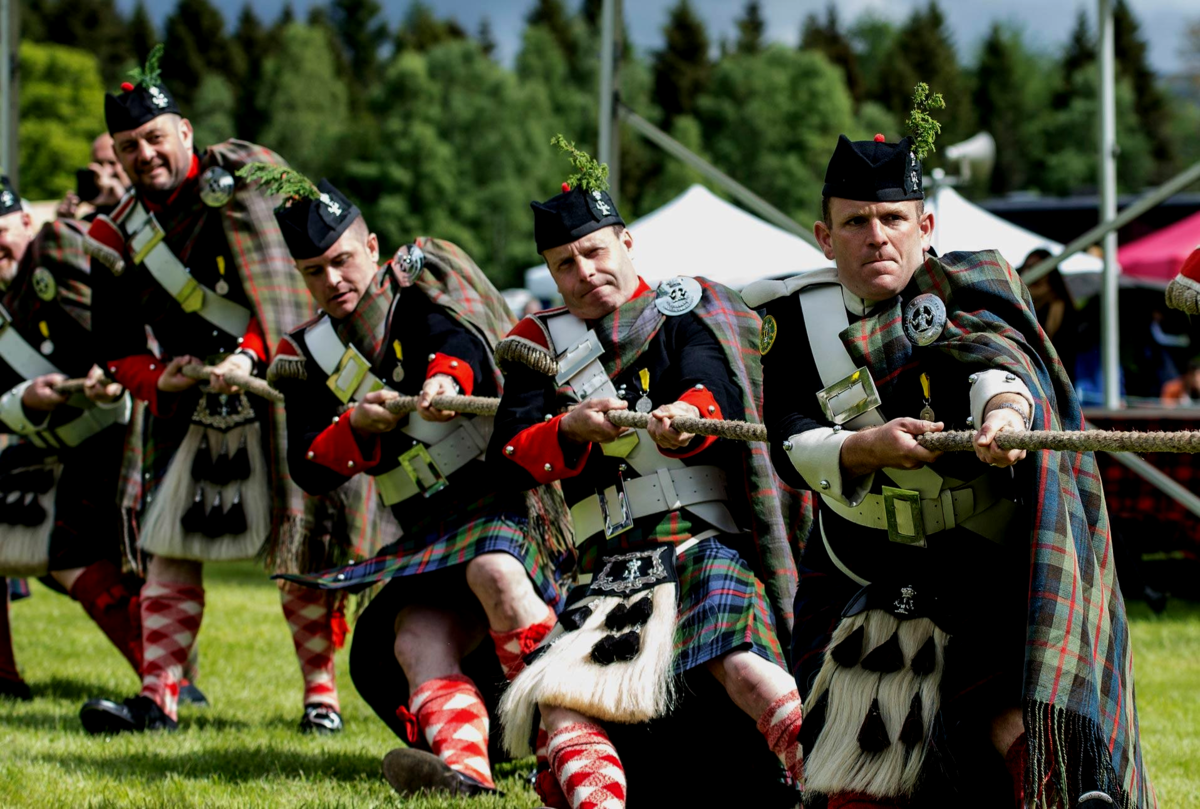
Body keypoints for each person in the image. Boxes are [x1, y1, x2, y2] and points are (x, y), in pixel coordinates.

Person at [745, 130, 1154, 808]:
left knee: (1012, 707)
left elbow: (999, 368)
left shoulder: (966, 293)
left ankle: (1053, 795)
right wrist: (863, 447)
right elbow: (788, 436)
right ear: (825, 236)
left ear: (924, 225)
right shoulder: (795, 319)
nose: (876, 236)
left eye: (892, 219)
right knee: (854, 752)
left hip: (978, 560)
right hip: (859, 568)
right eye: (856, 221)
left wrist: (1003, 416)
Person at [488, 143, 805, 809]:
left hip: (700, 545)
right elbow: (510, 450)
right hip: (607, 563)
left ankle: (825, 786)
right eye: (563, 263)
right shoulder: (536, 344)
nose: (583, 271)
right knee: (561, 704)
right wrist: (570, 429)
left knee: (744, 666)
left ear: (627, 242)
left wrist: (689, 412)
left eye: (595, 251)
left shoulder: (686, 309)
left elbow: (712, 380)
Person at [261, 171, 569, 797]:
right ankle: (467, 773)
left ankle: (559, 750)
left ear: (371, 247)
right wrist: (358, 426)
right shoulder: (304, 354)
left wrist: (447, 384)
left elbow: (457, 344)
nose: (333, 280)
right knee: (413, 637)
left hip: (500, 503)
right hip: (428, 529)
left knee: (495, 573)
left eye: (342, 260)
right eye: (315, 270)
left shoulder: (418, 296)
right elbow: (308, 465)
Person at [77, 45, 347, 735]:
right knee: (169, 547)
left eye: (154, 138)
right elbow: (115, 344)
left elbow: (296, 276)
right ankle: (158, 699)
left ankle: (322, 701)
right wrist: (154, 376)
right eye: (129, 146)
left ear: (185, 132)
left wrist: (257, 354)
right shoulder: (112, 233)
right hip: (188, 397)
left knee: (297, 546)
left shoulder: (245, 177)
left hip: (278, 383)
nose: (144, 155)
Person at [0, 177, 143, 700]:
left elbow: (121, 321)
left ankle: (166, 682)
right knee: (68, 552)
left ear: (22, 221)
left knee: (102, 559)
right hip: (48, 443)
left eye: (1, 235)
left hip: (123, 430)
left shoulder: (56, 244)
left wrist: (109, 368)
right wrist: (23, 402)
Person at [56, 134, 132, 221]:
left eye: (112, 163)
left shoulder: (146, 199)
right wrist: (67, 225)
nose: (106, 171)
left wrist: (123, 201)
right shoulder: (91, 220)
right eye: (99, 163)